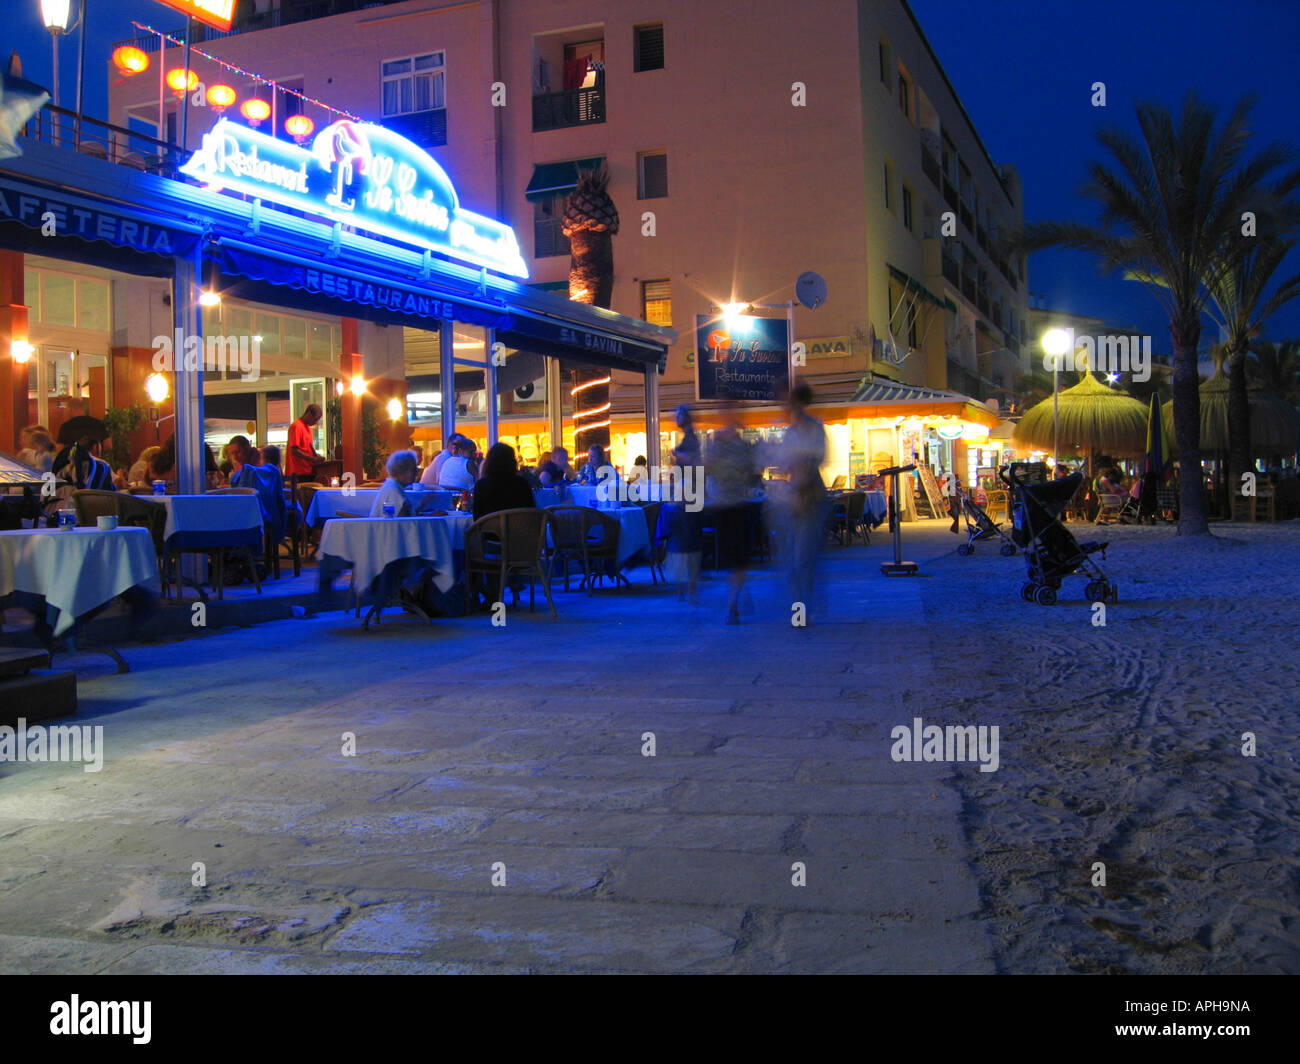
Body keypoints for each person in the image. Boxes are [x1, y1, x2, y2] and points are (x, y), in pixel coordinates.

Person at [770, 383, 827, 618]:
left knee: (802, 559)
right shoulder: (794, 431)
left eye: (789, 401)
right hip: (795, 498)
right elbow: (785, 464)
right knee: (798, 558)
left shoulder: (810, 429)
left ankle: (801, 610)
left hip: (808, 497)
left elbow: (813, 461)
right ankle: (801, 607)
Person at [706, 422, 759, 624]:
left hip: (736, 505)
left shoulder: (741, 447)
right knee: (734, 560)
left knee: (738, 559)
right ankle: (736, 599)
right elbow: (705, 470)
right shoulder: (717, 446)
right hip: (724, 507)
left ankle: (733, 603)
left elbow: (751, 472)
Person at [473, 443, 536, 521]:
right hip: (519, 531)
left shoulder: (481, 486)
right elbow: (531, 513)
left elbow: (477, 517)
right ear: (512, 461)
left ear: (489, 462)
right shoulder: (522, 484)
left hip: (491, 531)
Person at [369, 450, 420, 516]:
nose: (416, 473)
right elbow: (401, 522)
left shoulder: (392, 486)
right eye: (414, 469)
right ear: (401, 471)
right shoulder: (393, 491)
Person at [286, 403, 325, 485]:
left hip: (307, 470)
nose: (315, 423)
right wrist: (312, 459)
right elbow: (294, 450)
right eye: (315, 419)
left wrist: (315, 456)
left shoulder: (307, 428)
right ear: (309, 414)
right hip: (298, 472)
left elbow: (307, 449)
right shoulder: (296, 426)